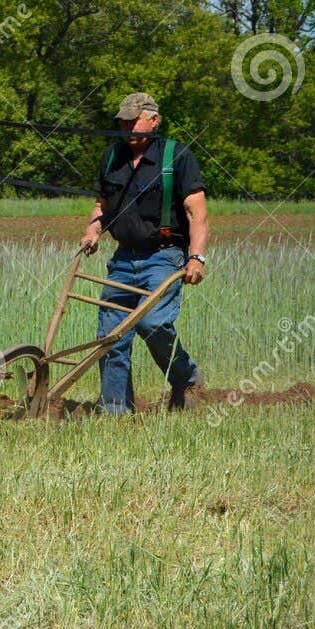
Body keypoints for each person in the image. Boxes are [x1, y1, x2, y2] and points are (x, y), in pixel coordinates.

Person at [78, 92, 208, 413]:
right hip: (123, 258)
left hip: (164, 256)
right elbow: (102, 204)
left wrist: (197, 256)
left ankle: (185, 377)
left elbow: (197, 212)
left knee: (153, 324)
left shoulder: (176, 156)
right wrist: (93, 231)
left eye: (132, 120)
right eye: (123, 121)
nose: (127, 127)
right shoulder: (112, 157)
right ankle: (115, 411)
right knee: (111, 336)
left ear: (153, 119)